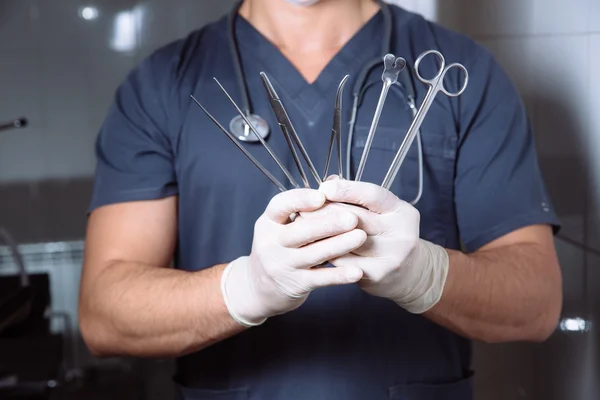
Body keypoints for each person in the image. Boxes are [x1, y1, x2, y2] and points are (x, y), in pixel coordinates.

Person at [78, 0, 563, 398]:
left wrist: (424, 272)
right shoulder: (162, 85)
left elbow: (536, 305)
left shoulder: (465, 75)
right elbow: (104, 315)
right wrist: (245, 288)